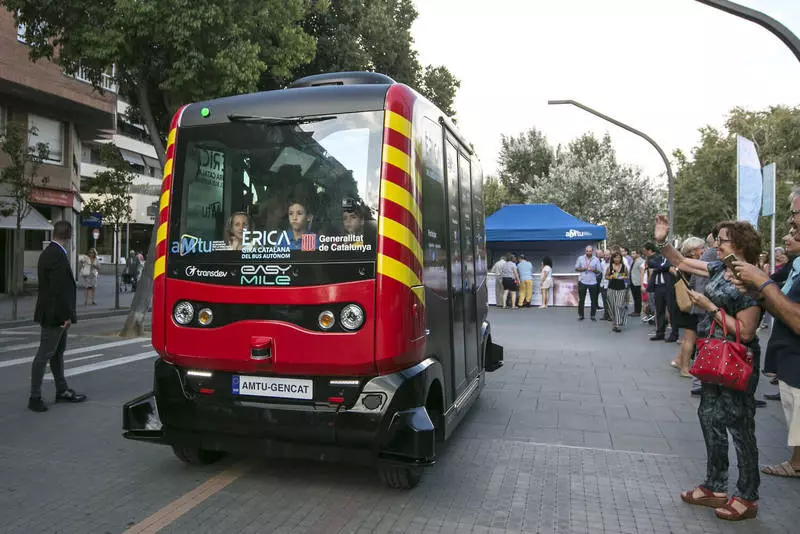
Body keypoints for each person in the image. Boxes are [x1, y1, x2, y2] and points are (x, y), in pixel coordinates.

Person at [655, 215, 762, 521]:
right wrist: (663, 240)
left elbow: (747, 330)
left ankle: (747, 495)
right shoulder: (720, 268)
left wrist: (710, 307)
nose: (716, 243)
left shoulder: (752, 279)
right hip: (715, 354)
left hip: (738, 357)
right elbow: (682, 262)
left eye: (722, 239)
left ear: (739, 244)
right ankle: (715, 485)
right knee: (709, 416)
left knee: (740, 424)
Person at [731, 188, 800, 477]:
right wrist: (759, 292)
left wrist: (762, 283)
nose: (790, 227)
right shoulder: (795, 265)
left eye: (796, 218)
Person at [29, 221, 87, 413]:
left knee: (56, 354)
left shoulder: (52, 253)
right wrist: (66, 316)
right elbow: (58, 290)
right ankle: (34, 396)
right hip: (55, 315)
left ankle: (61, 390)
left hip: (54, 313)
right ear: (69, 237)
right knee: (44, 355)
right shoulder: (56, 255)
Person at [670, 237, 705, 378]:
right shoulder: (692, 265)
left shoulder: (684, 263)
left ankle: (679, 361)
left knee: (687, 337)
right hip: (690, 304)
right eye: (701, 248)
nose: (703, 251)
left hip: (683, 302)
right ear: (693, 251)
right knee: (690, 337)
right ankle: (685, 368)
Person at [574, 245, 601, 321]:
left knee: (594, 300)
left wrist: (593, 270)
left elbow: (599, 271)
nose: (588, 252)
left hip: (593, 282)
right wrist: (583, 269)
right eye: (587, 251)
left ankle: (593, 315)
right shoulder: (580, 258)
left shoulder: (596, 259)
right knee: (581, 300)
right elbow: (576, 268)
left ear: (592, 251)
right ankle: (581, 315)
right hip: (583, 281)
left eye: (590, 251)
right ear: (585, 251)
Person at [604, 250, 628, 332]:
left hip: (621, 289)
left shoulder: (624, 267)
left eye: (619, 257)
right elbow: (606, 276)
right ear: (613, 258)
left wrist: (622, 276)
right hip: (611, 289)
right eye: (615, 257)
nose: (617, 259)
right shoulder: (610, 266)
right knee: (612, 306)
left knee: (618, 305)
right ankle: (615, 323)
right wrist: (610, 277)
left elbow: (627, 276)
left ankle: (617, 324)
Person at [630, 249, 644, 316]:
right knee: (635, 297)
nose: (632, 255)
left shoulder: (641, 261)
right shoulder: (634, 261)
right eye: (631, 253)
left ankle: (638, 312)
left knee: (638, 297)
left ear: (638, 254)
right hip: (633, 282)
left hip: (637, 282)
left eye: (633, 253)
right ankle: (636, 310)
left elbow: (642, 272)